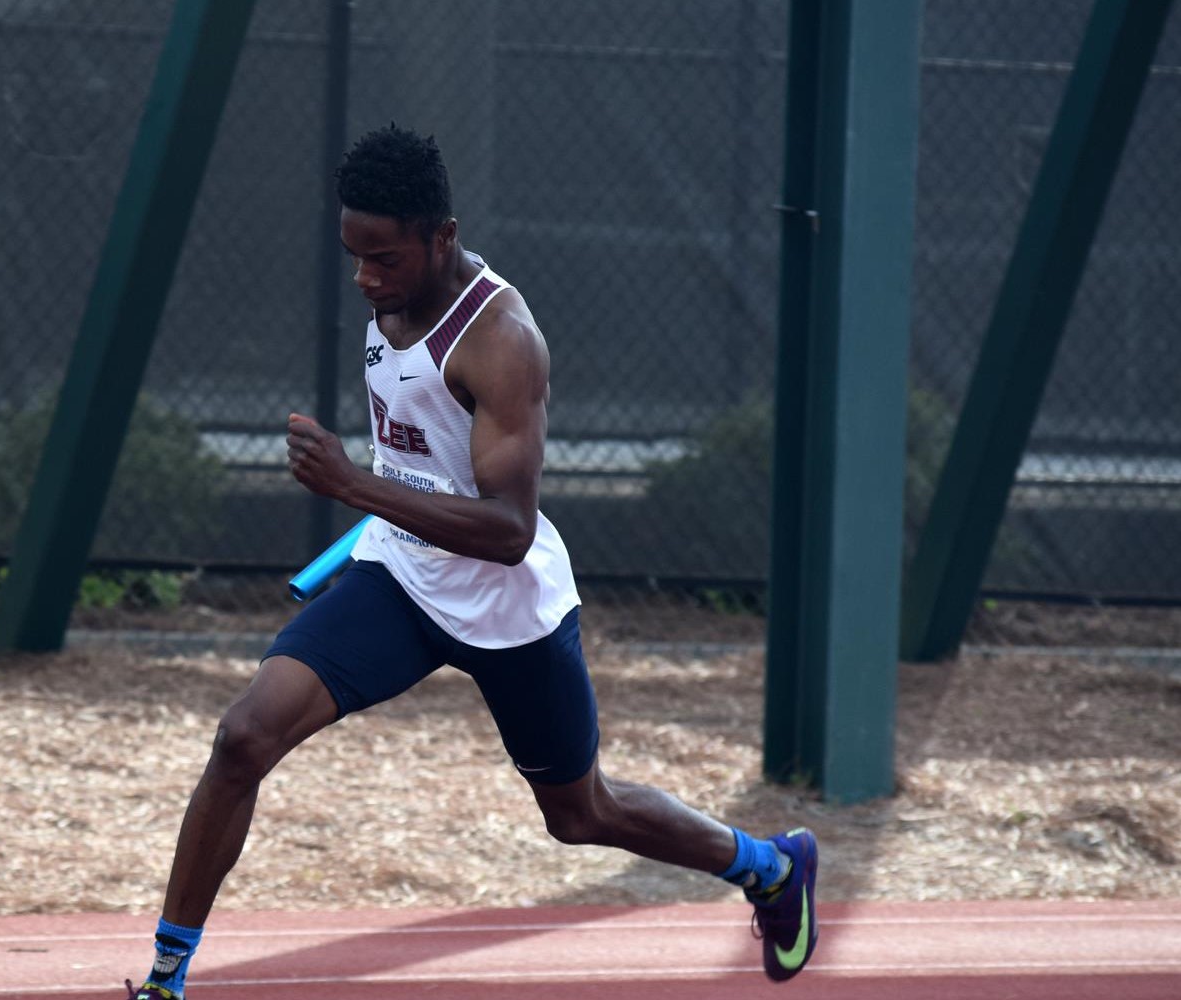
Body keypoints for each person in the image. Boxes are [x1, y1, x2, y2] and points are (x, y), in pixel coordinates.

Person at [124, 125, 818, 999]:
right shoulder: (392, 291)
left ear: (441, 237)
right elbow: (416, 443)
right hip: (403, 577)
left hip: (505, 603)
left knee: (580, 813)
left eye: (383, 257)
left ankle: (769, 867)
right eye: (354, 256)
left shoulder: (501, 341)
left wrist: (351, 486)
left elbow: (507, 530)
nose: (366, 278)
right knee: (243, 738)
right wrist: (373, 493)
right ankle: (166, 976)